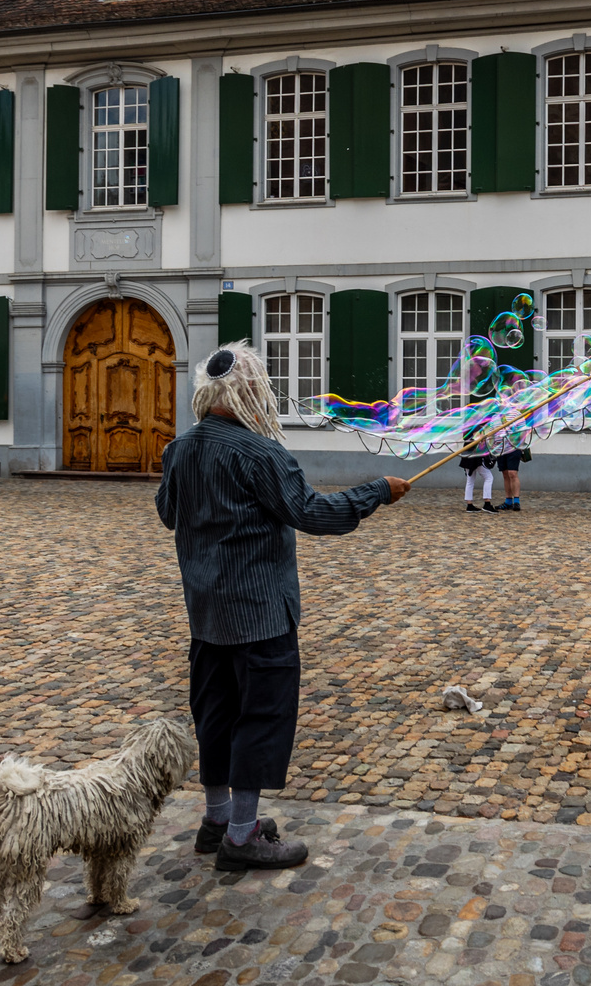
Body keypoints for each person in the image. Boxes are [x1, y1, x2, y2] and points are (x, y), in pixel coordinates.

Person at [156, 342, 409, 872]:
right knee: (261, 718)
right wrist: (377, 492)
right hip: (260, 613)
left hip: (205, 613)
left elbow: (167, 513)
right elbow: (313, 513)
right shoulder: (261, 453)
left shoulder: (179, 449)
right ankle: (243, 840)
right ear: (251, 392)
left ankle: (218, 819)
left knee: (216, 716)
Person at [460, 442, 498, 513]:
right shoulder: (476, 431)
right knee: (489, 478)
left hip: (468, 455)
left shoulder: (467, 433)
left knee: (470, 481)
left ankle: (469, 504)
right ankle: (487, 503)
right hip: (476, 456)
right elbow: (480, 441)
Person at [496, 446, 525, 511]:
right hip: (501, 447)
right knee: (505, 474)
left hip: (514, 447)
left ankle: (516, 501)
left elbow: (522, 436)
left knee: (513, 473)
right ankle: (508, 501)